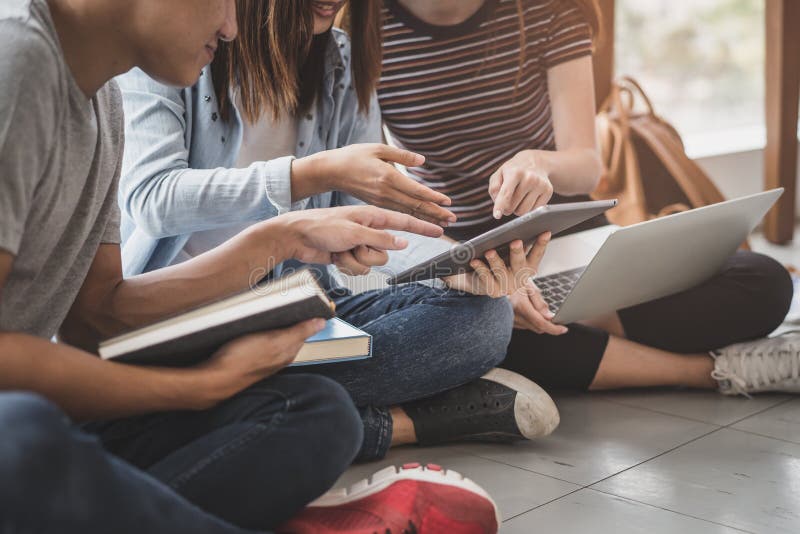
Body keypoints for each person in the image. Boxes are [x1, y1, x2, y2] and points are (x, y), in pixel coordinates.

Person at [0, 0, 500, 531]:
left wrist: (291, 239)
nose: (231, 26)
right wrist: (202, 386)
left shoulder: (103, 100)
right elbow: (153, 201)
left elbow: (97, 317)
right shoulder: (20, 57)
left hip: (92, 384)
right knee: (23, 430)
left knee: (321, 413)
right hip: (37, 408)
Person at [117, 0, 562, 463]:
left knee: (485, 319)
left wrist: (460, 263)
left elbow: (366, 213)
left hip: (294, 303)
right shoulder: (172, 46)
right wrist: (312, 174)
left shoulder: (340, 57)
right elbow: (152, 198)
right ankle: (387, 424)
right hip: (186, 315)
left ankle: (226, 409)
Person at [377, 0, 797, 396]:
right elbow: (368, 190)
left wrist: (539, 162)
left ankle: (566, 326)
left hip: (566, 232)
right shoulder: (362, 28)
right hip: (462, 256)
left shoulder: (547, 11)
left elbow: (587, 165)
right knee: (473, 324)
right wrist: (478, 284)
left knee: (764, 281)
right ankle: (711, 372)